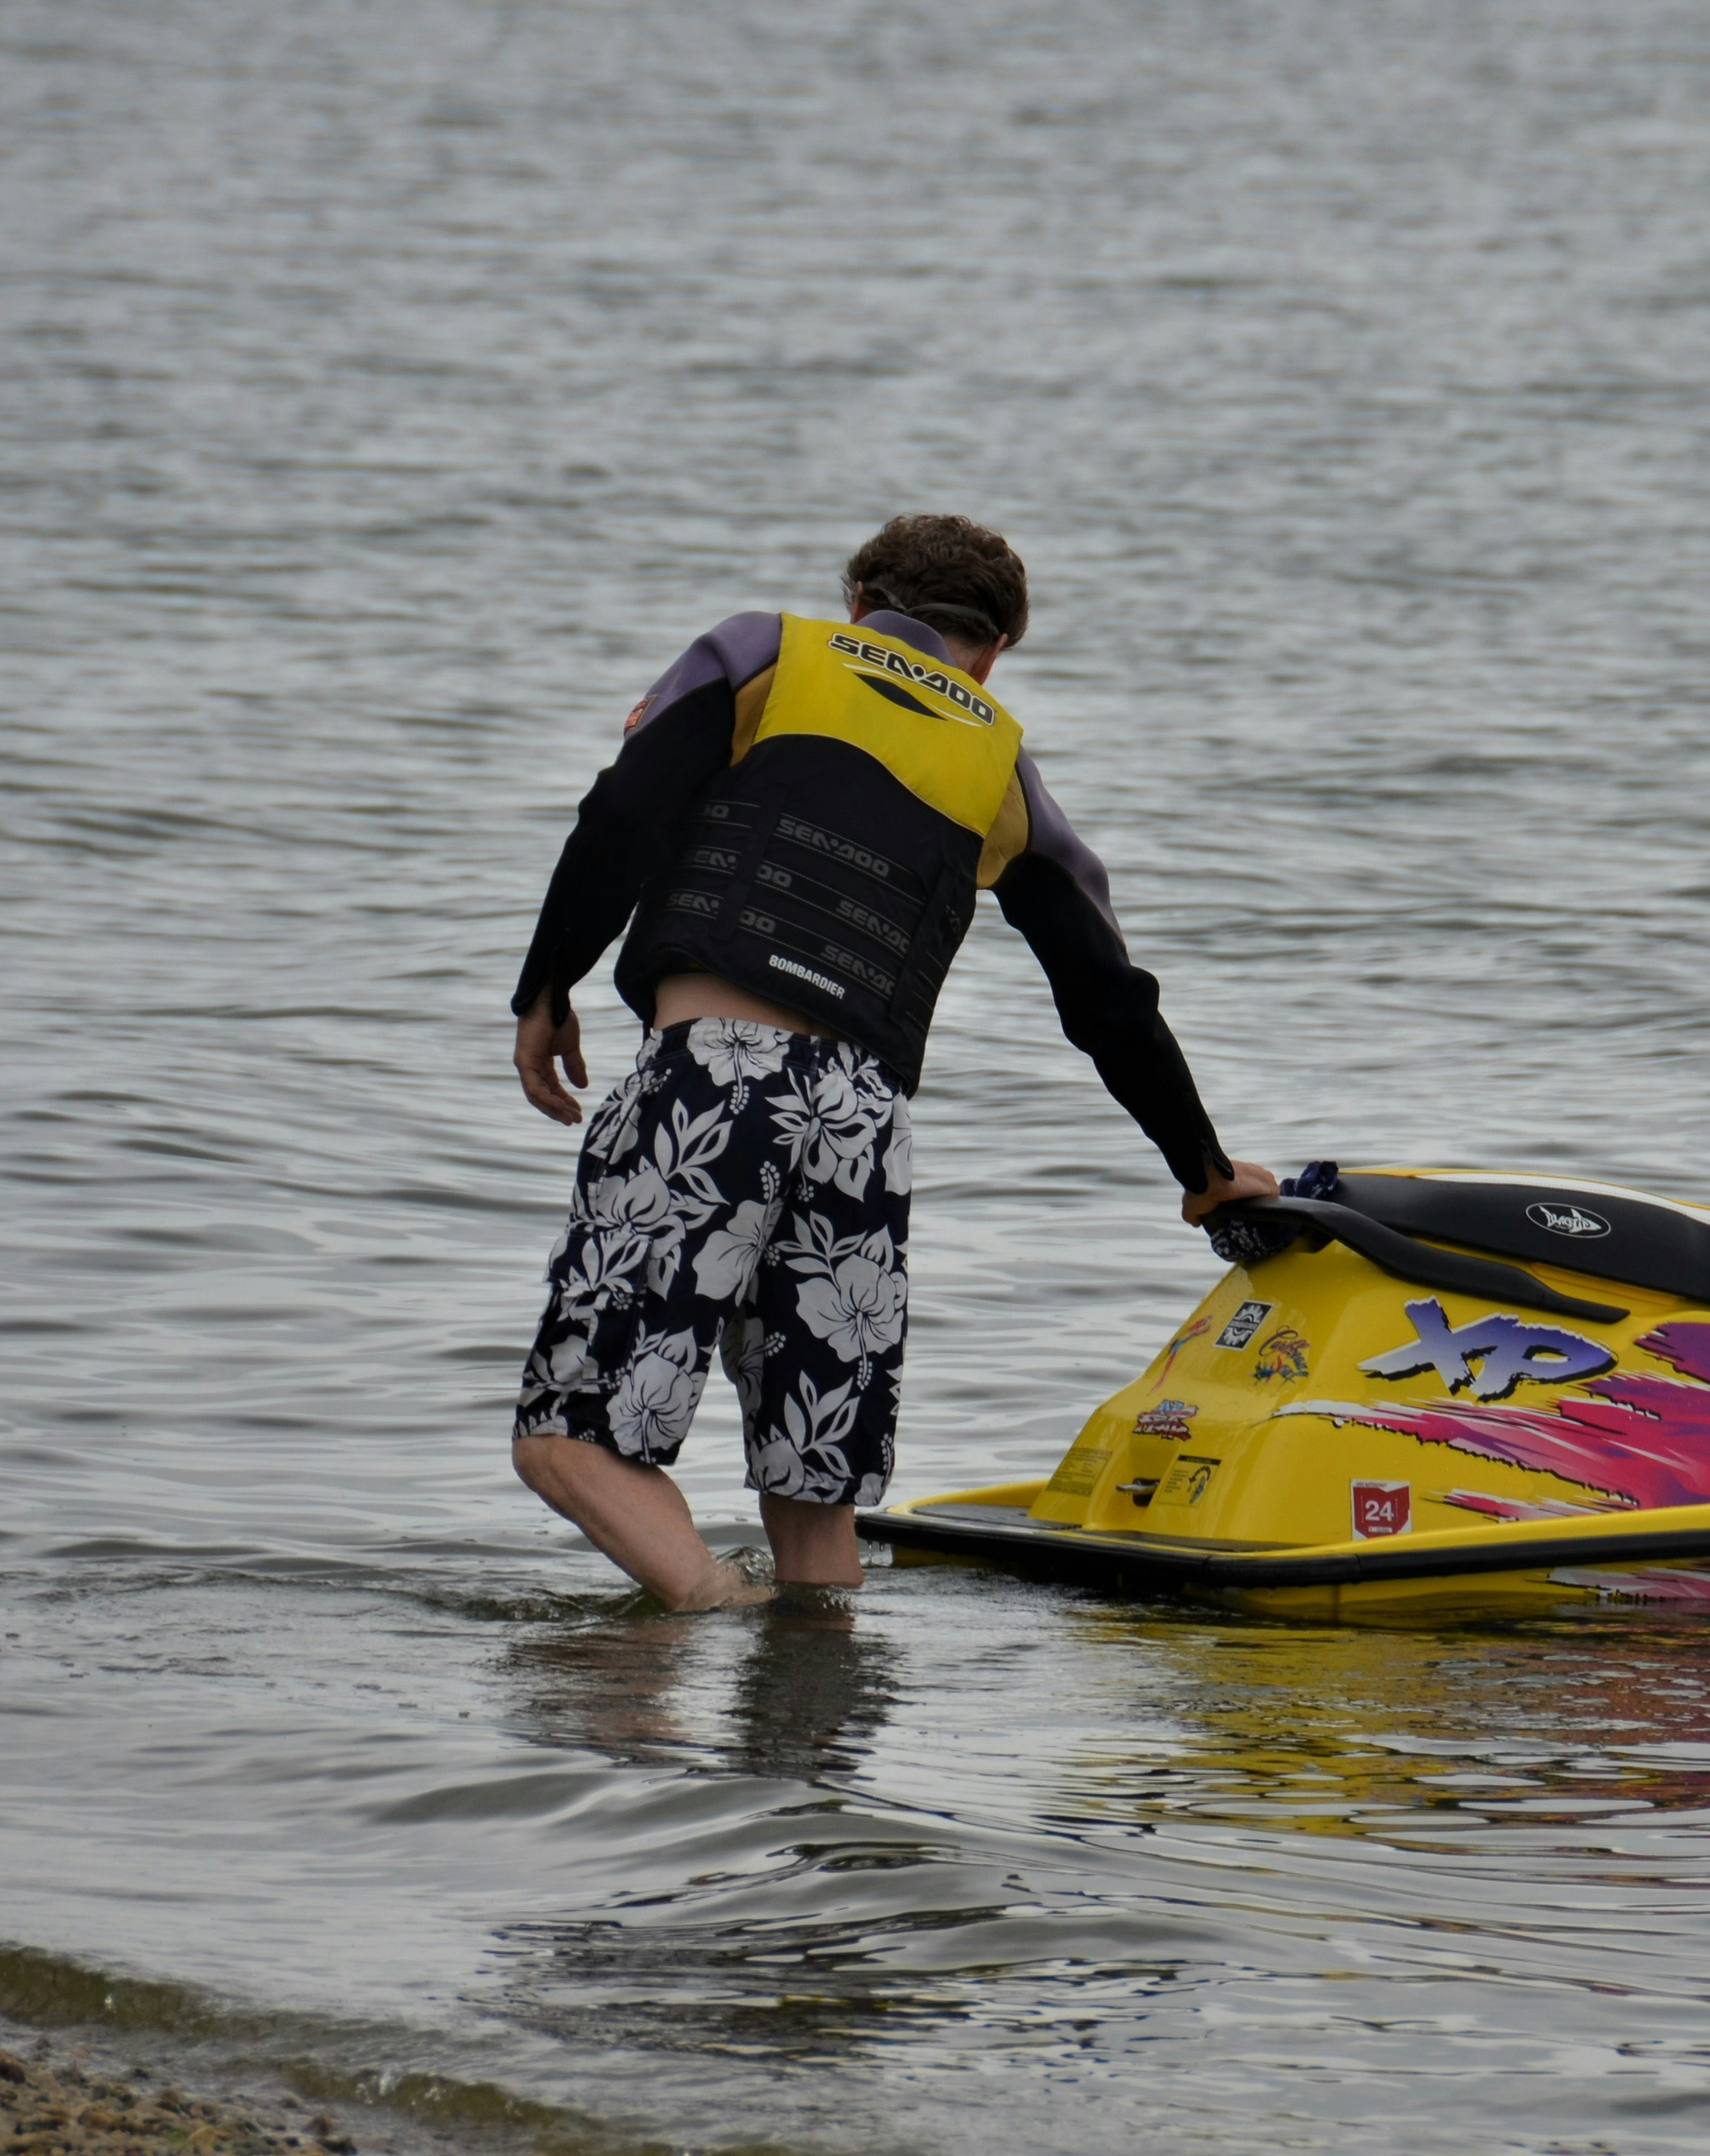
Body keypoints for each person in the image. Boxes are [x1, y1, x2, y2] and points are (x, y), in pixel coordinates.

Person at [504, 515, 1277, 1608]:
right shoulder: (1002, 765)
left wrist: (546, 988)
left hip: (713, 1083)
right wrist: (1201, 1168)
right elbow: (1105, 994)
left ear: (859, 597)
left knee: (569, 1446)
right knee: (815, 1502)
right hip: (863, 1124)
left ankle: (713, 1615)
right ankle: (812, 1728)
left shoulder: (763, 651)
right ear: (996, 650)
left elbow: (624, 810)